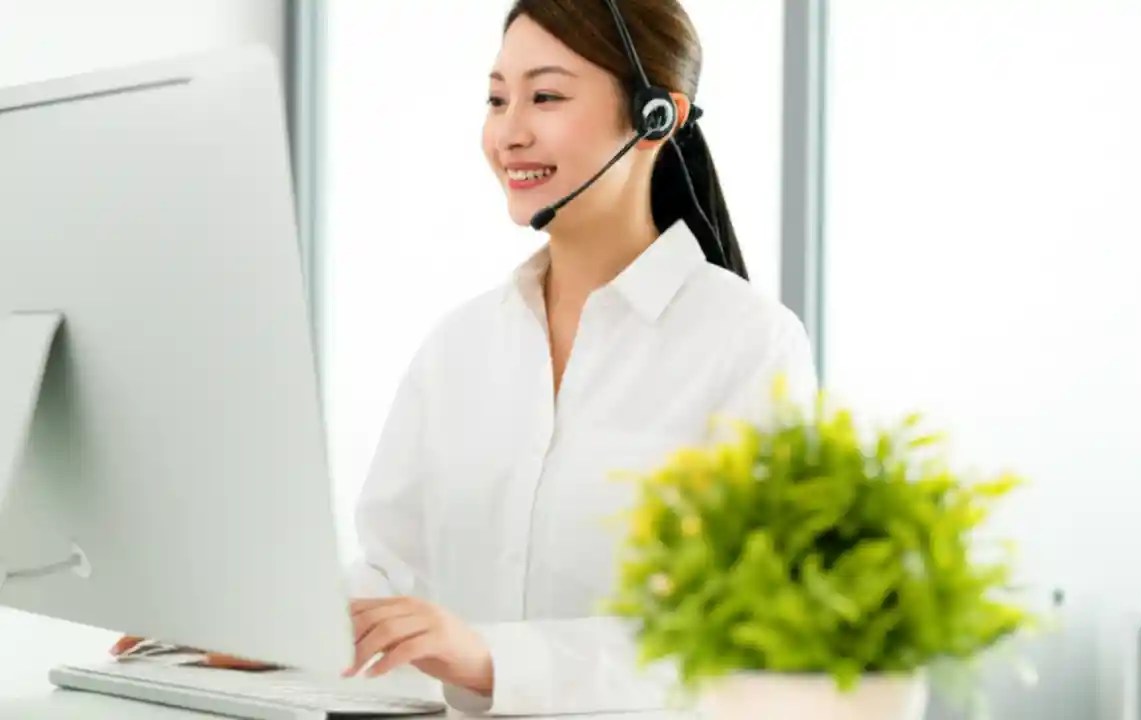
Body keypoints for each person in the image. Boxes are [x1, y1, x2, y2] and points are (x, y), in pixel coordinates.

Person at [116, 0, 817, 715]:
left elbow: (741, 633)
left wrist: (491, 659)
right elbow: (394, 574)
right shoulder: (460, 346)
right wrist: (269, 624)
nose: (509, 132)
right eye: (496, 98)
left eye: (545, 96)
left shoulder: (749, 345)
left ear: (655, 119)